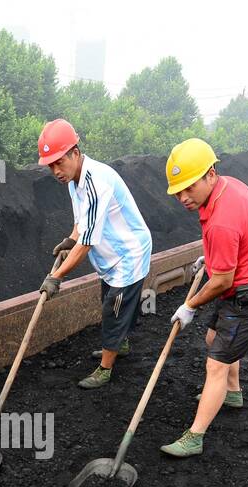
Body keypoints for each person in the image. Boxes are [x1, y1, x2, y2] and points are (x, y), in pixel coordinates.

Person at [158, 138, 248, 458]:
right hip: (246, 278)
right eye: (178, 191)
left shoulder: (221, 222)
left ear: (210, 175)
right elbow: (240, 234)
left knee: (215, 363)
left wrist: (189, 306)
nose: (183, 197)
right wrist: (212, 255)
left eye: (189, 188)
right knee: (215, 336)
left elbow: (222, 281)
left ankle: (195, 436)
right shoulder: (229, 186)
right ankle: (232, 392)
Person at [37, 119, 153, 390]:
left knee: (114, 308)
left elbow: (88, 242)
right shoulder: (72, 181)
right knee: (112, 302)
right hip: (110, 257)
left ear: (75, 153)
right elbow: (81, 225)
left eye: (59, 162)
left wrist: (56, 277)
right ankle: (120, 344)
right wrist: (69, 240)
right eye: (51, 165)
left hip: (128, 254)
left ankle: (105, 369)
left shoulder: (97, 181)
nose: (56, 170)